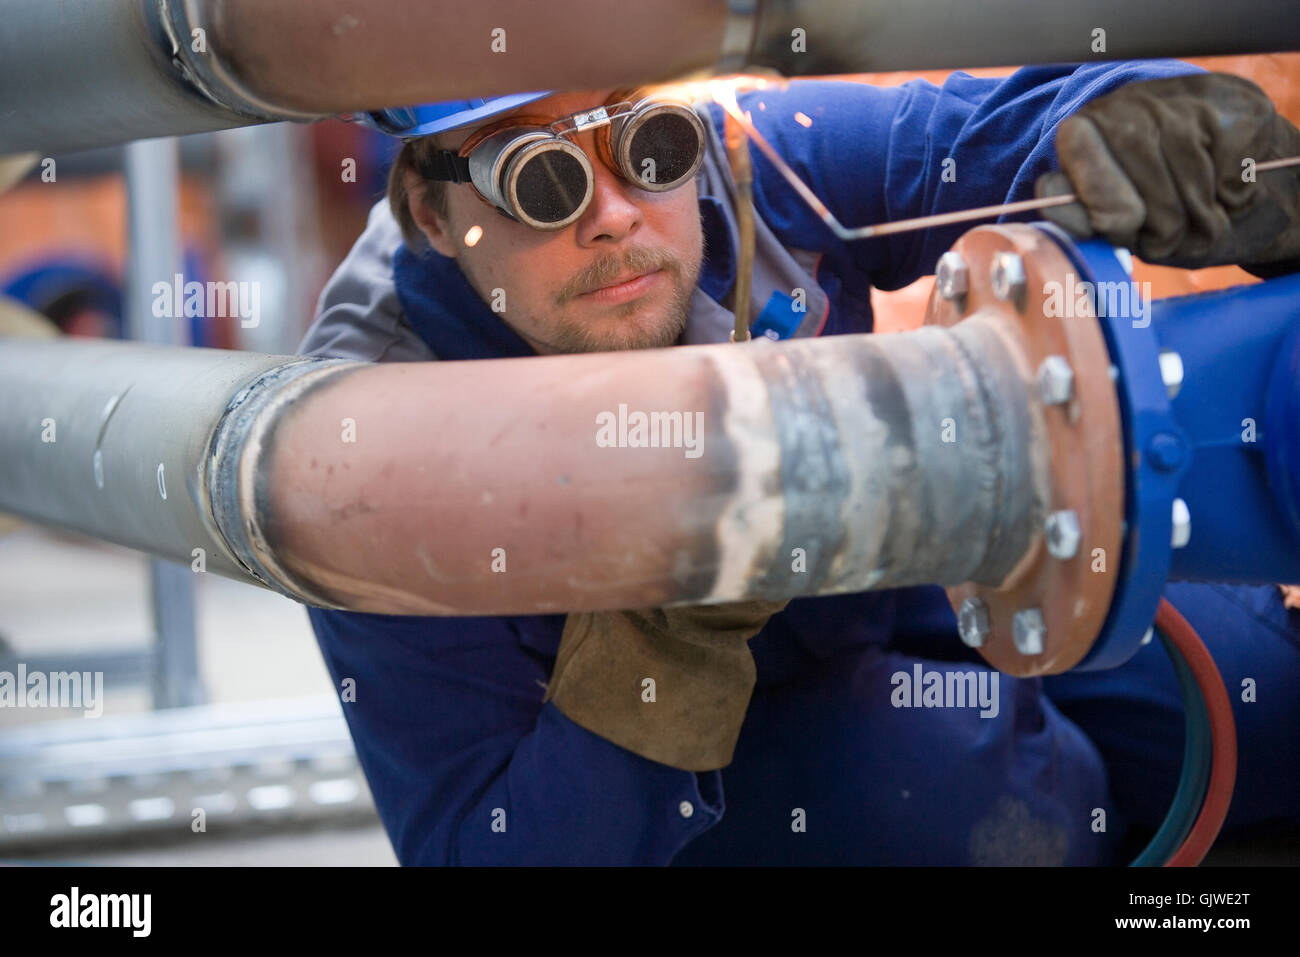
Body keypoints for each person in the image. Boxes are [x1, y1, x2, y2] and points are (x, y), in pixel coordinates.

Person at [297, 62, 1300, 865]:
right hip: (683, 744)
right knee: (989, 810)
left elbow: (973, 135)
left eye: (643, 141)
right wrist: (660, 628)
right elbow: (483, 846)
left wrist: (1142, 124)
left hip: (868, 581)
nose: (611, 212)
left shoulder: (749, 161)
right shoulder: (372, 447)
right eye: (539, 176)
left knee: (1264, 706)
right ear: (432, 215)